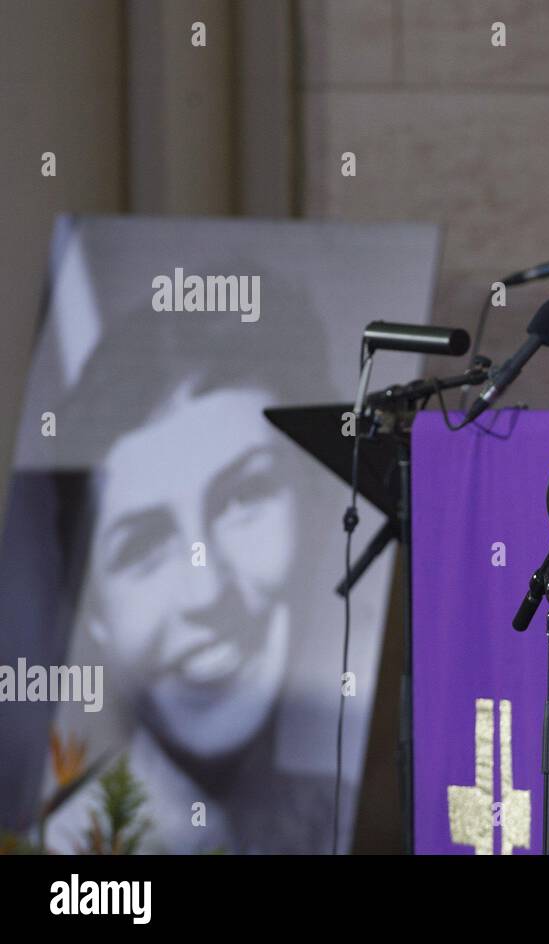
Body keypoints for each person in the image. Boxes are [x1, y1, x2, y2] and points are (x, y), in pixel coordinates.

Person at [42, 275, 347, 853]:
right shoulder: (73, 856)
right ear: (94, 609)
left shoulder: (335, 810)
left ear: (320, 504)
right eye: (142, 546)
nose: (206, 590)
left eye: (242, 499)